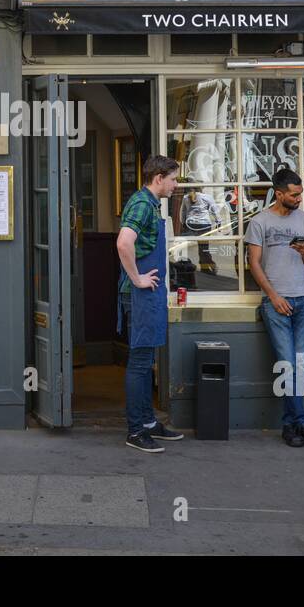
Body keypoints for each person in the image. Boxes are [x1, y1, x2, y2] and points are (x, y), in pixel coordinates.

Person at [247, 168, 304, 447]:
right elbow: (254, 263)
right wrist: (273, 296)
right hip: (275, 302)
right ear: (278, 194)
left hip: (302, 299)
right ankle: (303, 422)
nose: (299, 198)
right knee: (288, 364)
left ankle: (290, 427)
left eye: (300, 194)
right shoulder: (260, 221)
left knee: (298, 365)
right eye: (293, 195)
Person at [116, 154, 185, 453]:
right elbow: (123, 242)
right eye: (173, 179)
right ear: (159, 178)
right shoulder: (142, 203)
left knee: (146, 364)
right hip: (140, 296)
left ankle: (147, 422)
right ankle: (135, 431)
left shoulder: (151, 203)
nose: (175, 185)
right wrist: (137, 278)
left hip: (149, 295)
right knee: (140, 364)